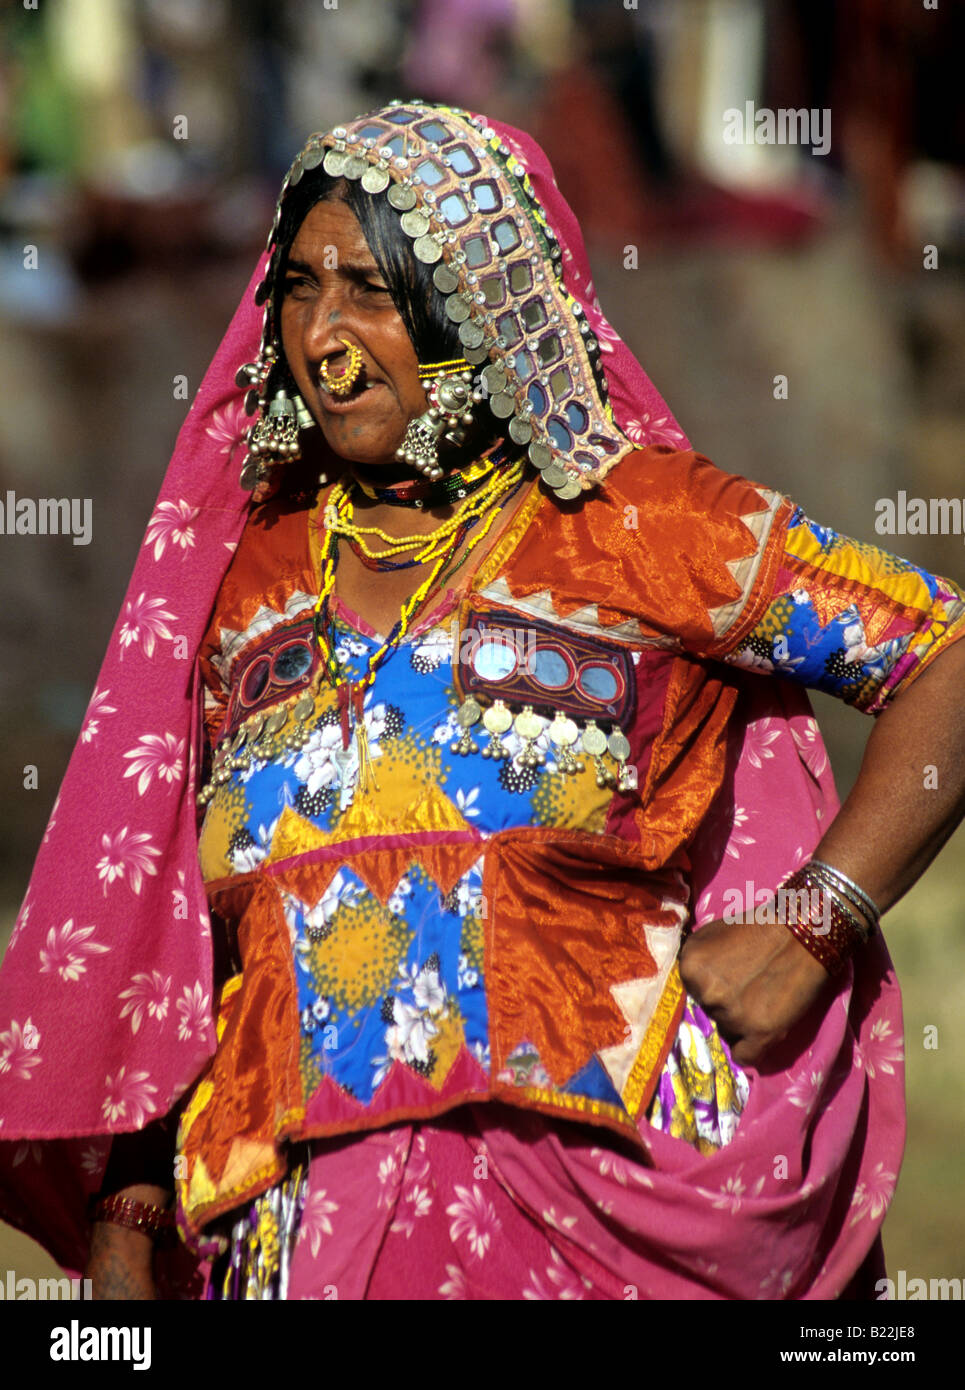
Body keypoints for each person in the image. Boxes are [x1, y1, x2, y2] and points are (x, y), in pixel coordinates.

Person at [1, 101, 963, 1301]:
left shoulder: (634, 523)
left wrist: (816, 921)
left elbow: (943, 654)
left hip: (600, 1214)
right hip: (296, 1237)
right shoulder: (243, 581)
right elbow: (181, 937)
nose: (324, 336)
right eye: (299, 287)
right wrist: (134, 1201)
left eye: (370, 287)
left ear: (483, 300)